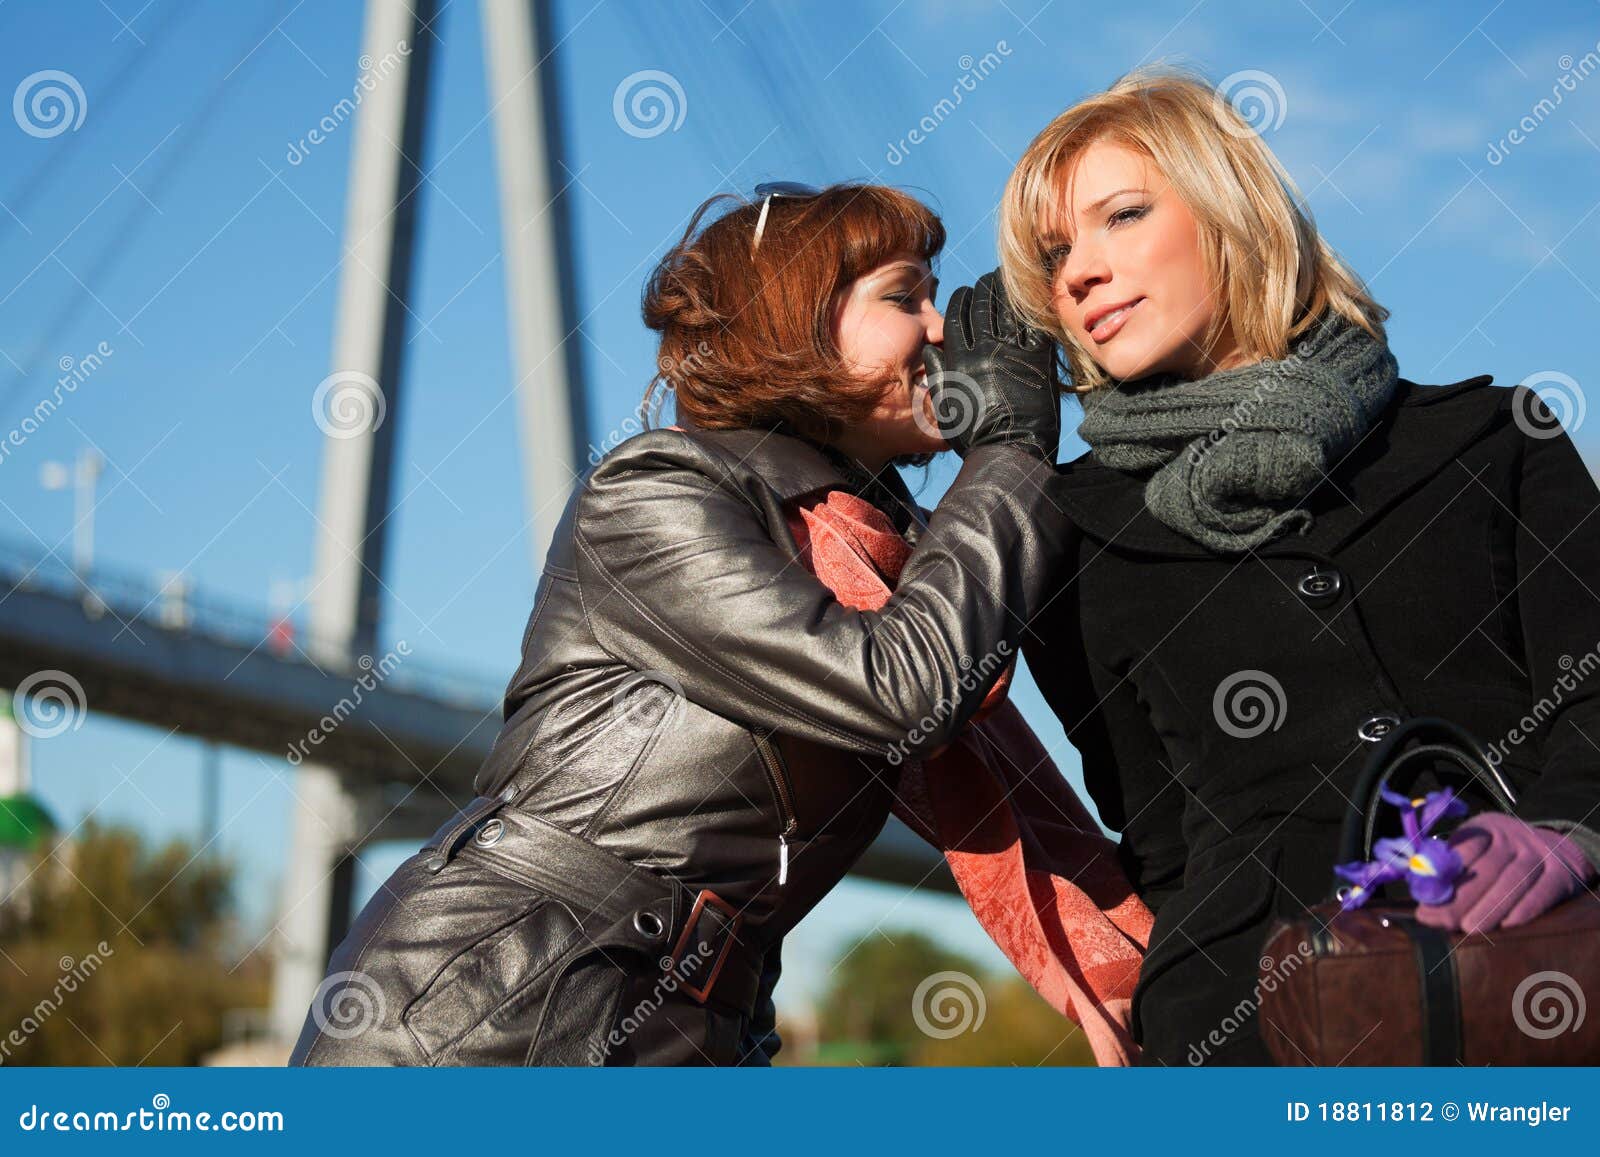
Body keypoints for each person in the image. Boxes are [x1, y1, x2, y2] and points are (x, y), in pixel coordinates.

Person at [288, 182, 1067, 1066]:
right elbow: (903, 687)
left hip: (696, 1020)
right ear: (794, 323)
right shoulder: (656, 491)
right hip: (493, 1018)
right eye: (904, 297)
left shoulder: (890, 552)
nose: (941, 329)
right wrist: (1009, 452)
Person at [996, 66, 1600, 1065]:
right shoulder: (1072, 524)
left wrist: (1565, 830)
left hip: (1541, 987)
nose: (1078, 273)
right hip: (1248, 1031)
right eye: (1055, 253)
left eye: (1122, 216)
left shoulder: (1495, 438)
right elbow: (1162, 841)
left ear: (1232, 214)